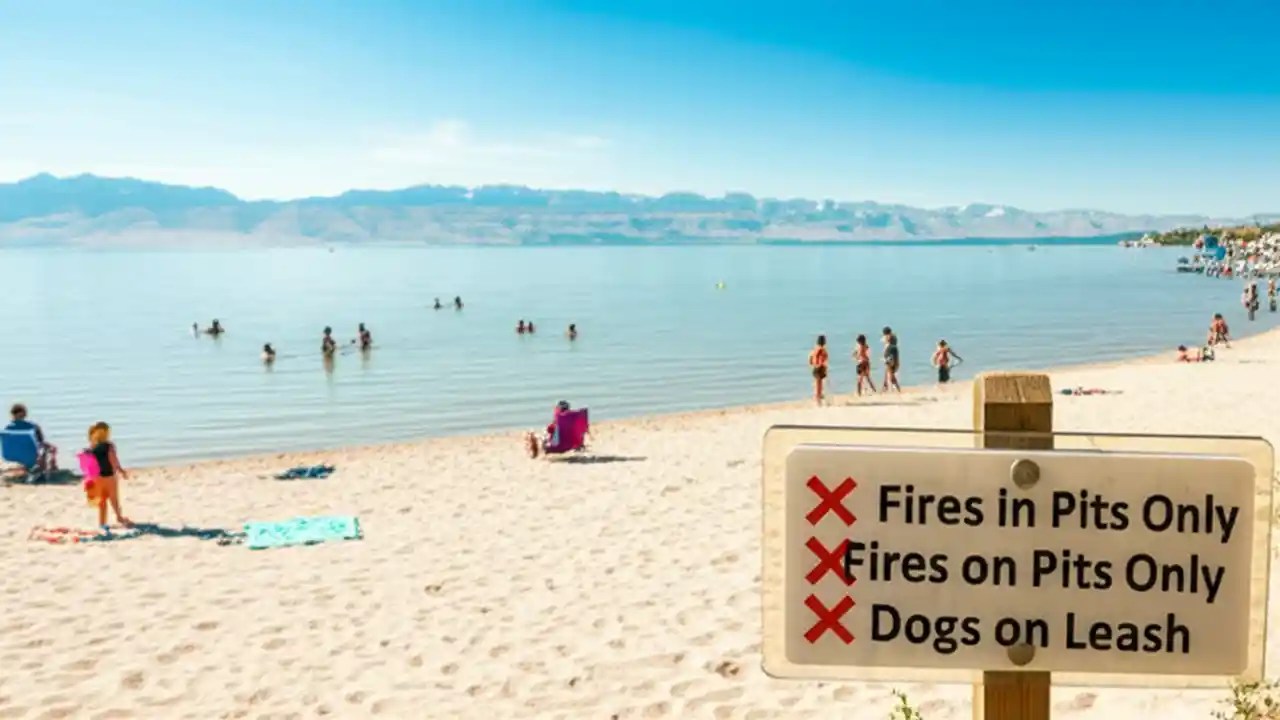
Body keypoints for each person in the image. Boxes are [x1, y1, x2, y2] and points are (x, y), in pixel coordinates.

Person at [83, 421, 131, 534]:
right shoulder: (109, 446)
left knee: (102, 500)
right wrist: (120, 470)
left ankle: (102, 522)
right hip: (109, 476)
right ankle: (119, 517)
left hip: (97, 477)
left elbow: (88, 465)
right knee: (113, 498)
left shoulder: (92, 447)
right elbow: (113, 460)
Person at [5, 403, 57, 473]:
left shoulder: (7, 429)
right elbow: (41, 442)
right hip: (31, 457)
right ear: (25, 414)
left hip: (11, 458)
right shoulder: (33, 427)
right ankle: (43, 470)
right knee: (48, 448)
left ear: (12, 415)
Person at [808, 335, 829, 405]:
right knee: (819, 385)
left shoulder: (815, 349)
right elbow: (822, 359)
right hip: (819, 368)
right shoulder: (822, 349)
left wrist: (813, 364)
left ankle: (818, 398)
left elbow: (810, 359)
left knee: (818, 384)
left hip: (815, 368)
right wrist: (822, 366)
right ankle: (818, 400)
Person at [881, 327, 901, 392]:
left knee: (890, 374)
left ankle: (897, 389)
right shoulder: (894, 338)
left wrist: (886, 359)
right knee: (888, 372)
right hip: (893, 356)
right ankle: (885, 386)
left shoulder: (889, 338)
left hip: (890, 356)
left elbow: (888, 351)